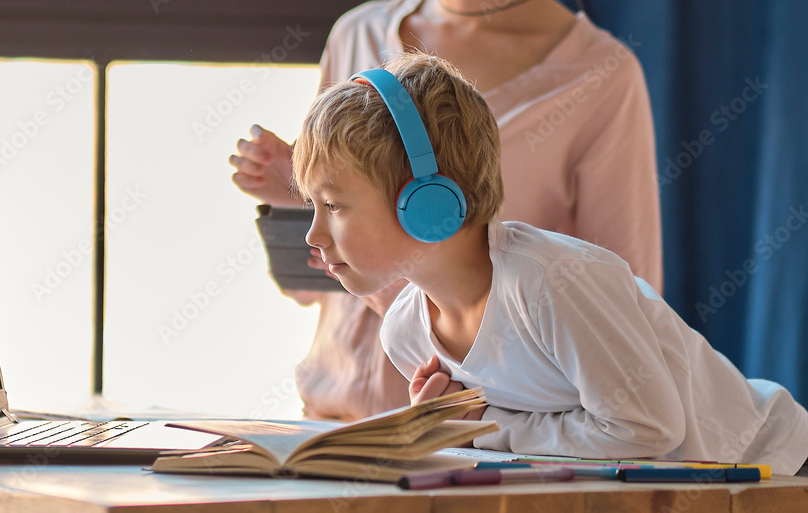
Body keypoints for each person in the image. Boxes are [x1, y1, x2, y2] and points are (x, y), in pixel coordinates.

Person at [291, 52, 808, 476]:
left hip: (776, 465)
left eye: (334, 206)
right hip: (678, 488)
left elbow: (646, 431)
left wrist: (483, 426)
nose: (314, 234)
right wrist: (451, 426)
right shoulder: (404, 334)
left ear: (429, 204)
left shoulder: (550, 283)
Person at [230, 0, 663, 421]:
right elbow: (313, 285)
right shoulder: (356, 35)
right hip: (328, 423)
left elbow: (626, 313)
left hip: (473, 441)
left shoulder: (601, 76)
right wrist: (296, 196)